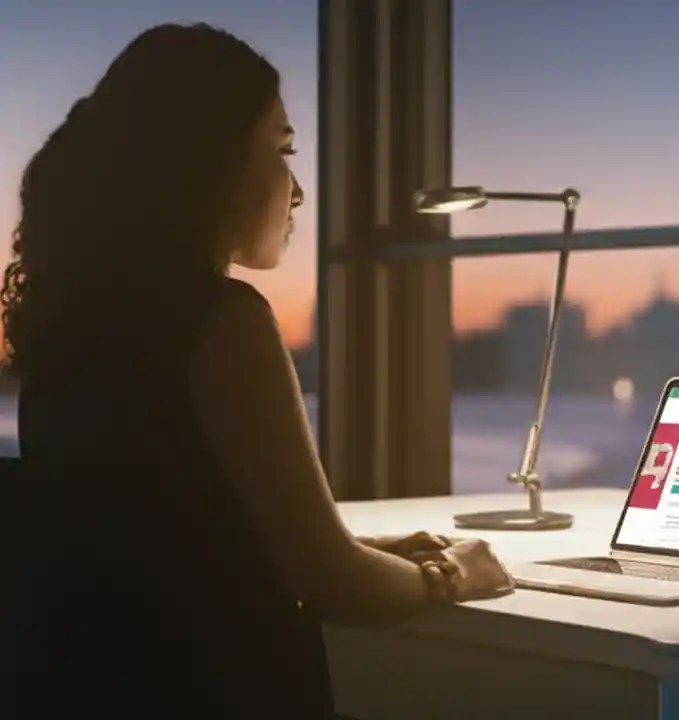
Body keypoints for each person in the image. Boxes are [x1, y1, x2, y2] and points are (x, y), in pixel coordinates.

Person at [5, 23, 513, 718]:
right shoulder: (220, 321)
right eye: (282, 149)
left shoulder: (74, 327)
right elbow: (334, 585)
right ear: (208, 160)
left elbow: (184, 539)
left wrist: (362, 546)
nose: (299, 190)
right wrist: (454, 572)